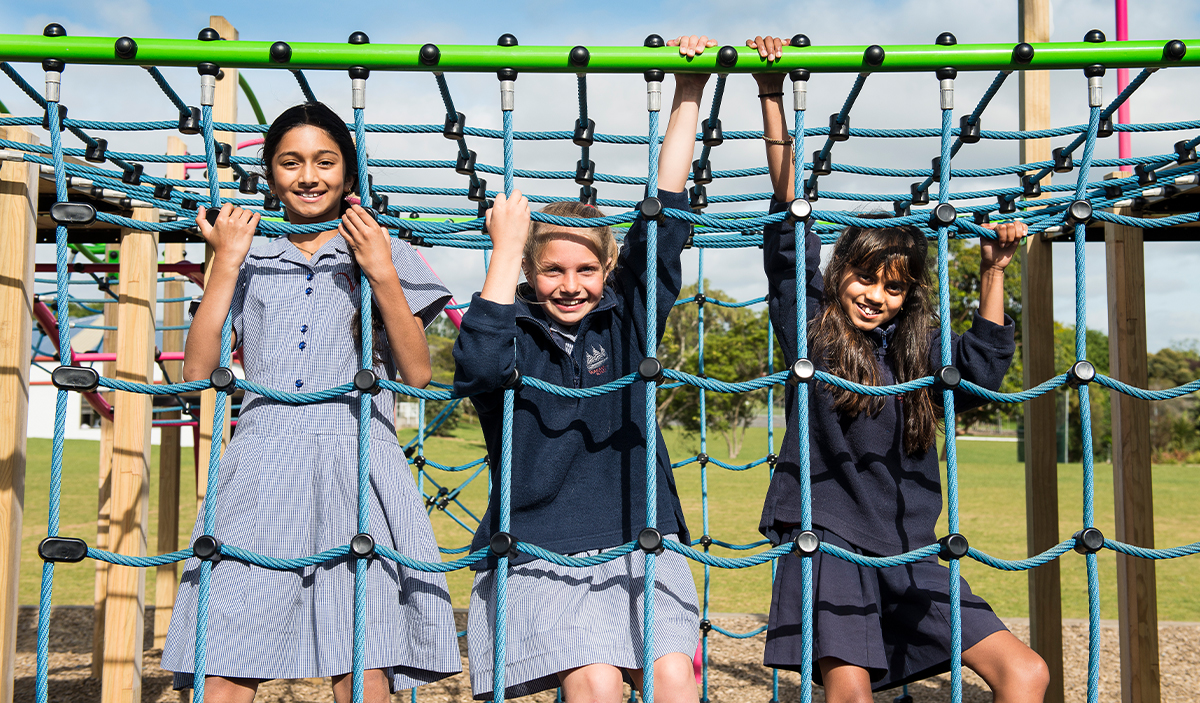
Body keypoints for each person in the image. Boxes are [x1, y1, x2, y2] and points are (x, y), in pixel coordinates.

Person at [746, 35, 1050, 702]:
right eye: (863, 277)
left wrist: (994, 273)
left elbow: (982, 371)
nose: (874, 295)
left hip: (913, 549)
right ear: (839, 274)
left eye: (891, 286)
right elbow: (790, 215)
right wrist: (772, 97)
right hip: (829, 540)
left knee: (1026, 671)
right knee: (850, 693)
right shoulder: (813, 331)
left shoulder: (915, 353)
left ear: (907, 293)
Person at [161, 101, 461, 703]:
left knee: (363, 651)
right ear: (270, 173)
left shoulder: (382, 246)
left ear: (348, 174)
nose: (308, 176)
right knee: (227, 651)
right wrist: (225, 262)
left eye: (325, 162)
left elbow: (419, 373)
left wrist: (380, 271)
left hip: (356, 453)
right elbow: (196, 372)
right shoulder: (250, 251)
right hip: (264, 460)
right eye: (290, 162)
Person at [453, 35, 717, 703]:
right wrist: (505, 256)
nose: (570, 285)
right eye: (552, 269)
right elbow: (478, 367)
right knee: (595, 680)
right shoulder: (508, 331)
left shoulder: (626, 322)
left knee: (673, 678)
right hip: (540, 542)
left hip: (638, 532)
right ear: (531, 274)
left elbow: (667, 216)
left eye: (585, 269)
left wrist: (689, 92)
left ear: (608, 270)